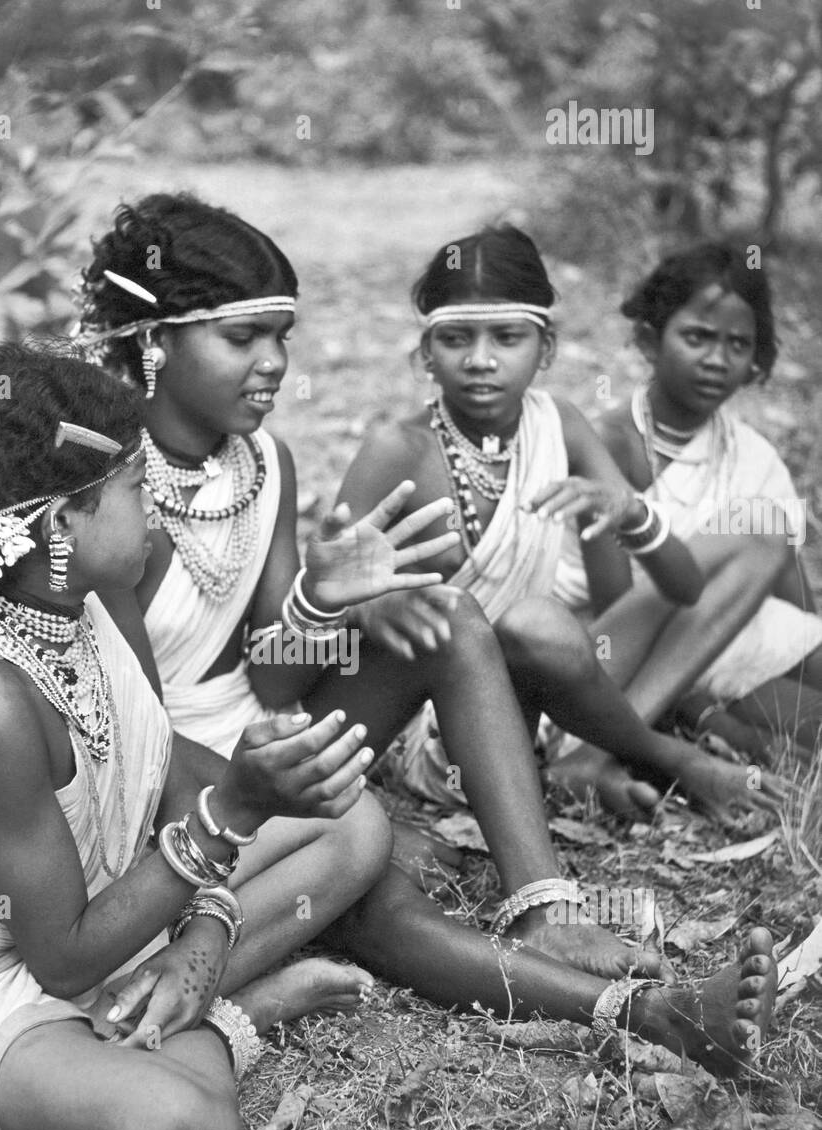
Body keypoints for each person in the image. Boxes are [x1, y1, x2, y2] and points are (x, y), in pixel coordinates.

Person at [73, 194, 777, 1072]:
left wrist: (326, 605)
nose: (273, 363)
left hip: (261, 723)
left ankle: (539, 906)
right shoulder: (102, 491)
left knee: (445, 616)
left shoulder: (264, 463)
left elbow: (281, 681)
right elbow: (135, 727)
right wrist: (263, 803)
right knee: (371, 885)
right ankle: (649, 1015)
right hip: (155, 762)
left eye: (281, 335)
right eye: (243, 337)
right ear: (155, 342)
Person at [0, 342, 404, 1130]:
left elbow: (161, 782)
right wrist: (234, 809)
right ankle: (232, 1013)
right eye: (135, 487)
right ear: (59, 528)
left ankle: (173, 1000)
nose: (158, 511)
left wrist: (203, 926)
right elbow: (61, 961)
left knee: (353, 824)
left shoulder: (83, 605)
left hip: (89, 931)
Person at [333, 224, 784, 823]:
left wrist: (634, 516)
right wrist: (369, 608)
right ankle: (667, 755)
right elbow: (329, 615)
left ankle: (589, 759)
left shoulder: (560, 424)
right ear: (425, 354)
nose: (482, 361)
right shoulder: (396, 450)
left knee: (757, 542)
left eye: (508, 337)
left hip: (547, 688)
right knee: (538, 623)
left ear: (545, 349)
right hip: (450, 731)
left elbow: (683, 590)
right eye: (457, 339)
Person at [553, 242, 822, 772]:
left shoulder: (752, 456)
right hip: (630, 658)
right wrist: (709, 719)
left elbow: (796, 607)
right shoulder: (607, 445)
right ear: (652, 341)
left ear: (755, 362)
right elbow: (619, 616)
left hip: (731, 636)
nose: (717, 360)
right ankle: (609, 749)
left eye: (738, 344)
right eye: (697, 337)